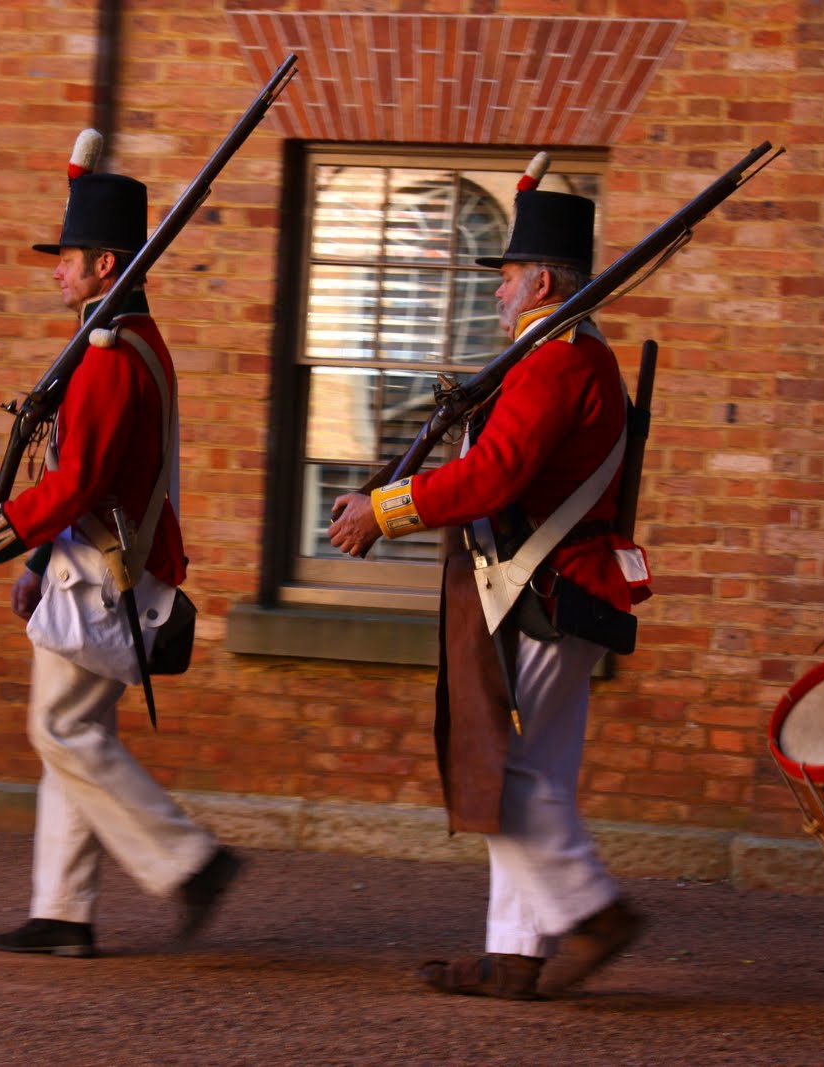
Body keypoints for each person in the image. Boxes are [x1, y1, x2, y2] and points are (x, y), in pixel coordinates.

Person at [328, 161, 651, 1000]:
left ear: (540, 279)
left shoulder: (554, 363)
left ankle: (593, 912)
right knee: (529, 772)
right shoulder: (555, 355)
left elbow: (493, 477)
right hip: (548, 585)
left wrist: (386, 510)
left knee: (503, 770)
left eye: (507, 275)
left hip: (540, 588)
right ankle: (516, 949)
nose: (499, 290)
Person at [0, 131, 240, 958]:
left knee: (61, 732)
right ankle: (63, 909)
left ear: (106, 265)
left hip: (100, 572)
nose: (58, 269)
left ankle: (188, 858)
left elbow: (73, 484)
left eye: (69, 256)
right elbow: (79, 473)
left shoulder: (109, 356)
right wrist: (36, 559)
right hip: (83, 564)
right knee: (70, 735)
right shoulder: (110, 343)